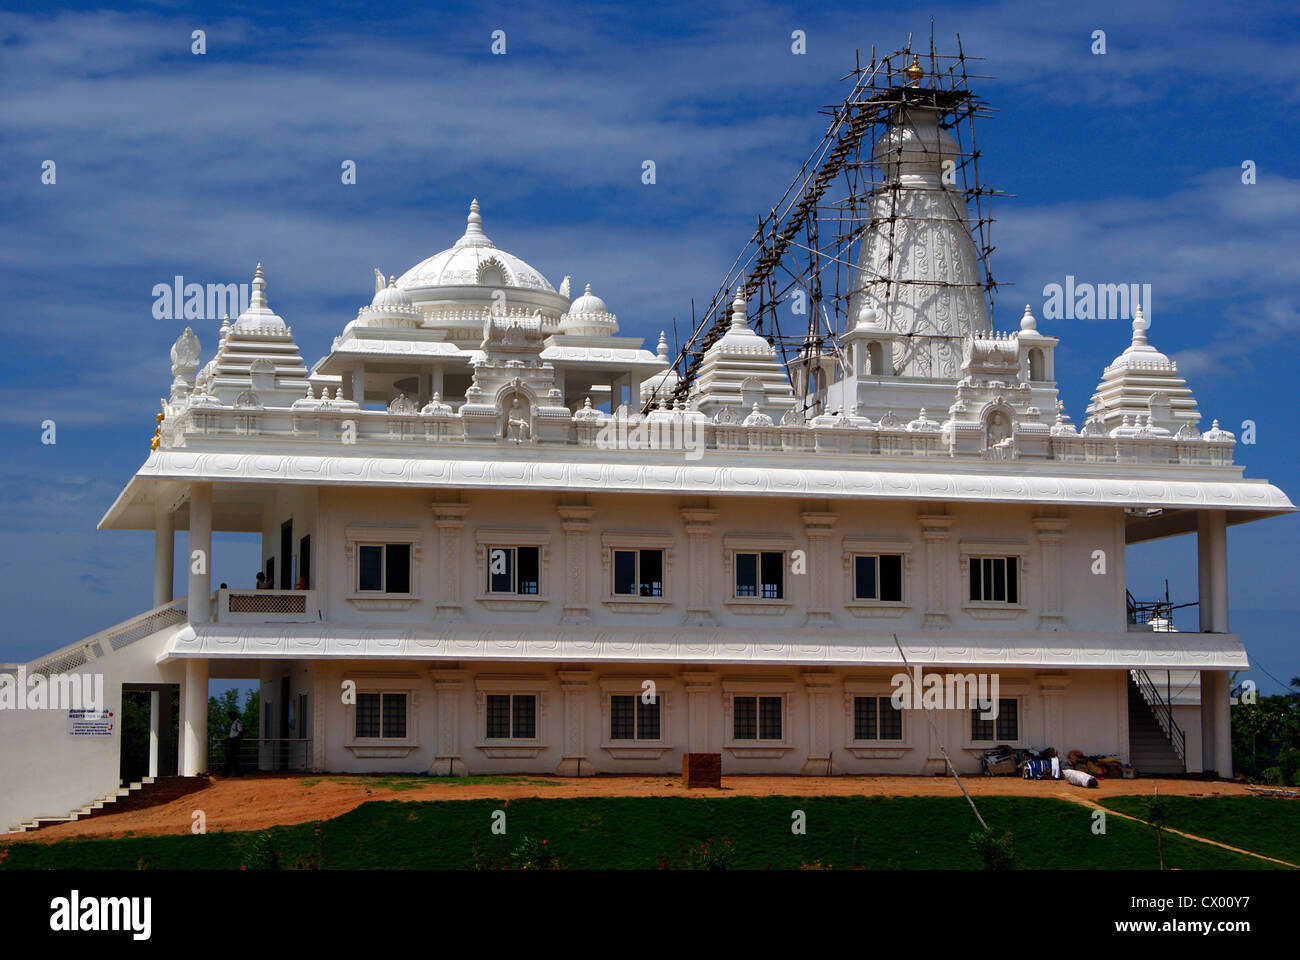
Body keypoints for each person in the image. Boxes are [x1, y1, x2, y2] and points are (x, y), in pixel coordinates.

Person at [224, 709, 243, 777]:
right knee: (233, 758)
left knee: (231, 758)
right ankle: (237, 773)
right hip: (232, 741)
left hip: (234, 742)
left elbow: (240, 733)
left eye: (231, 716)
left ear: (234, 716)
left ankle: (226, 773)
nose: (230, 718)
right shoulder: (234, 723)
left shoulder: (237, 723)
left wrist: (236, 742)